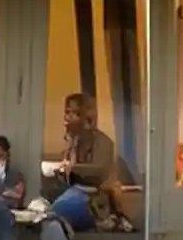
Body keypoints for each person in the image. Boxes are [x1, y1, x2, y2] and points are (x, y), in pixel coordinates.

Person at [47, 93, 132, 232]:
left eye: (75, 113)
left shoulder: (103, 142)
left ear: (87, 117)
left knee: (58, 211)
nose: (68, 118)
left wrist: (72, 168)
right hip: (71, 193)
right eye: (67, 113)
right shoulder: (71, 142)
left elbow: (99, 174)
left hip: (94, 197)